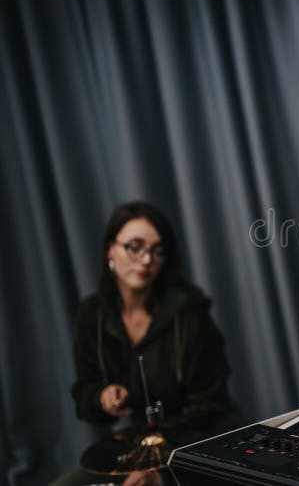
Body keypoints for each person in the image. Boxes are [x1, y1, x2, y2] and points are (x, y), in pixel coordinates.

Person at [53, 202, 240, 486]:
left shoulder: (189, 310)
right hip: (140, 444)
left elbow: (211, 405)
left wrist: (159, 470)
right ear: (110, 250)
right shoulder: (92, 314)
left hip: (200, 442)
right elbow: (84, 394)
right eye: (134, 247)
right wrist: (102, 396)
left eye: (156, 251)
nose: (145, 260)